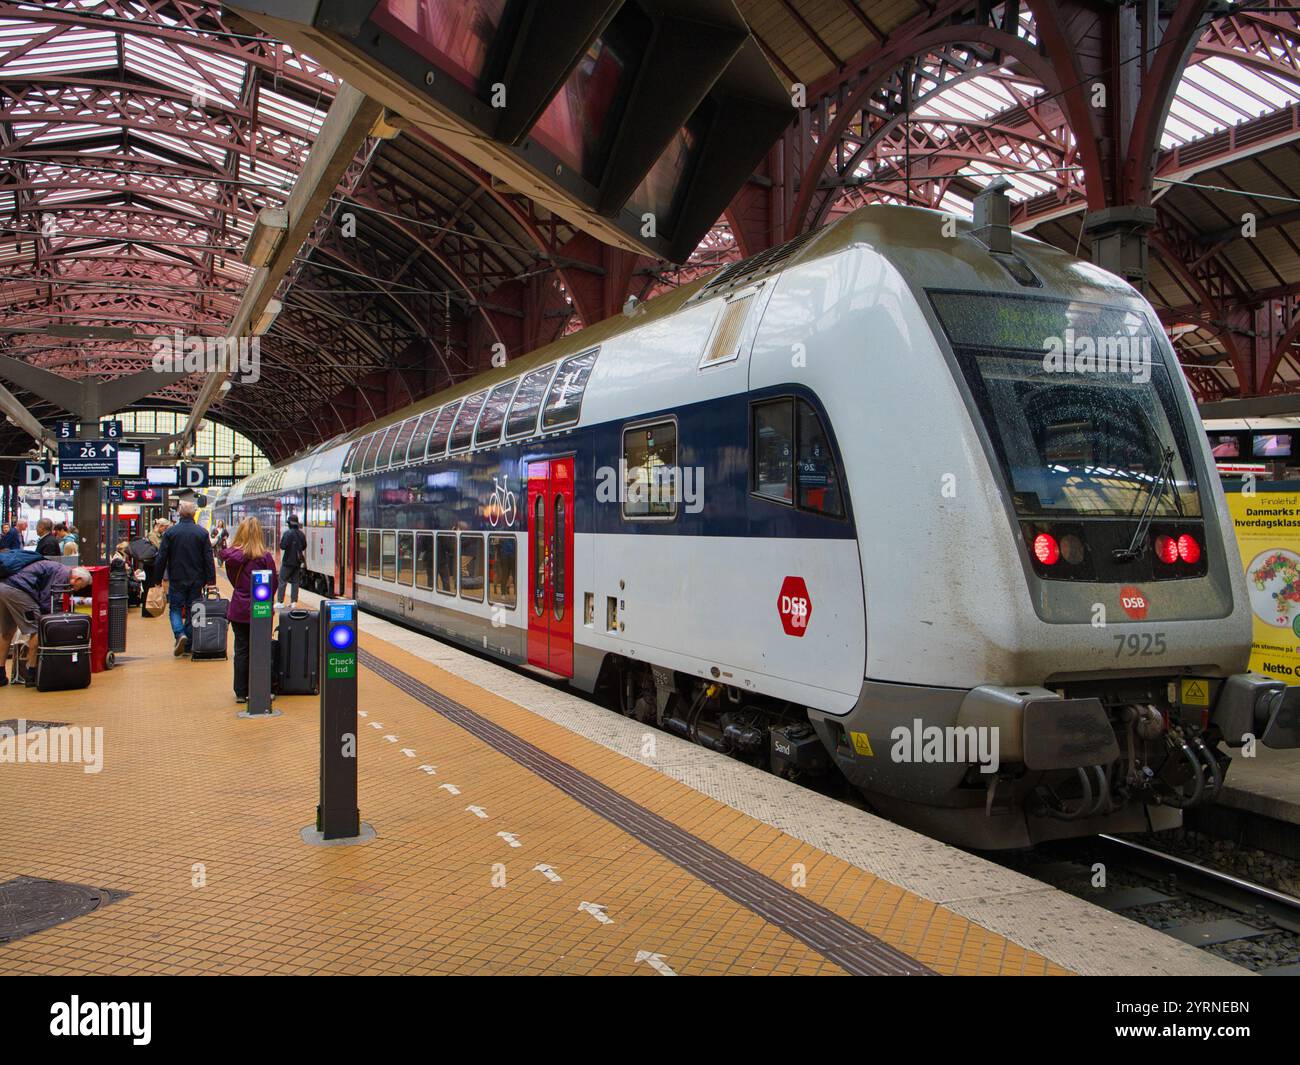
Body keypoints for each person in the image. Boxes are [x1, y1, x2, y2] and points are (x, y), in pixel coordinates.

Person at [0, 561, 92, 686]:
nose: (75, 589)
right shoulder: (63, 575)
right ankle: (31, 673)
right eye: (80, 586)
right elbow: (47, 601)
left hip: (4, 586)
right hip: (19, 591)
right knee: (38, 629)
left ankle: (0, 674)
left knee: (7, 632)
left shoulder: (58, 568)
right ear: (77, 579)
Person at [219, 517, 277, 704]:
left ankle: (241, 692)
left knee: (241, 649)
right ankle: (261, 689)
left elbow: (233, 580)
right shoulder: (265, 557)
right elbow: (273, 584)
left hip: (238, 609)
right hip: (261, 610)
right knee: (261, 648)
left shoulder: (232, 558)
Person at [154, 500, 216, 656]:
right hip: (197, 580)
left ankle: (179, 634)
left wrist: (157, 579)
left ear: (179, 514)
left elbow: (161, 557)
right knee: (193, 610)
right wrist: (211, 581)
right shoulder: (202, 533)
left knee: (174, 608)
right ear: (194, 513)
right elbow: (208, 558)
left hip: (176, 578)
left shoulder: (170, 533)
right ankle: (188, 644)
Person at [277, 514, 307, 606]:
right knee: (295, 582)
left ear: (290, 524)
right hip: (297, 562)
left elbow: (282, 546)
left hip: (287, 561)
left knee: (282, 580)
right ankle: (294, 602)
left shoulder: (287, 533)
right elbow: (304, 546)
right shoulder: (301, 534)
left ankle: (280, 601)